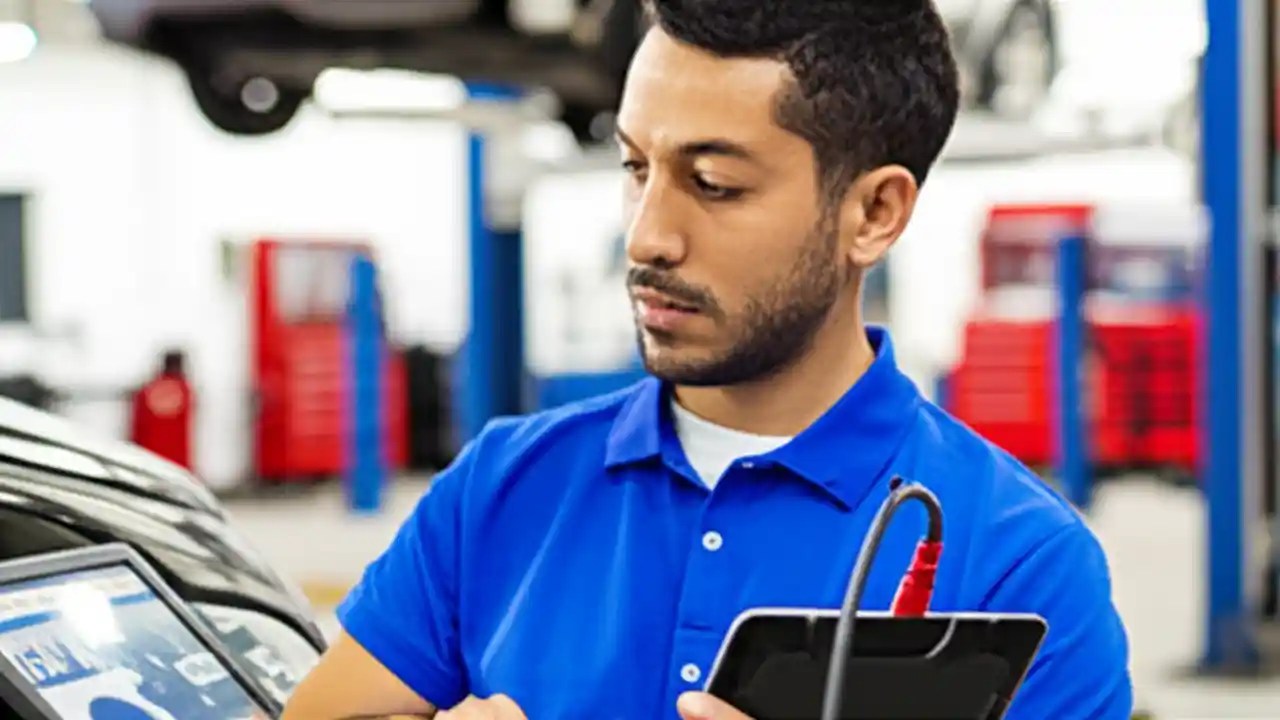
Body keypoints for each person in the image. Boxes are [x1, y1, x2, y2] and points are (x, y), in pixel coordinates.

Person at [282, 1, 1132, 718]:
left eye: (715, 185)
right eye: (635, 168)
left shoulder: (1019, 566)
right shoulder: (504, 488)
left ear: (874, 213)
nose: (648, 235)